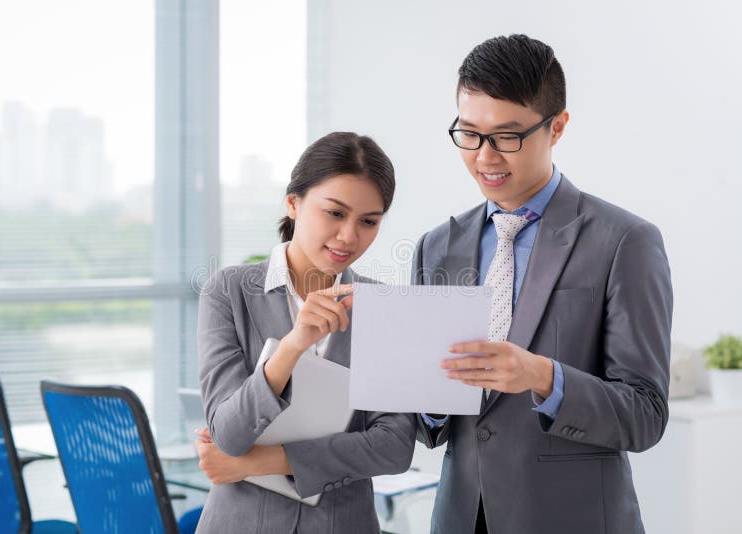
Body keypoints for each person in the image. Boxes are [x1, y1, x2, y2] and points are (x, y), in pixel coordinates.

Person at [414, 35, 673, 534]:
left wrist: (544, 378)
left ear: (557, 127)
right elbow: (429, 423)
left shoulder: (625, 241)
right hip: (460, 519)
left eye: (507, 136)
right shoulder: (437, 246)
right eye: (469, 133)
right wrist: (422, 393)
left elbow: (645, 413)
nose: (485, 157)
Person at [193, 131, 417, 533]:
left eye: (368, 221)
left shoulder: (382, 305)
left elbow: (394, 447)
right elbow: (228, 434)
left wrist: (264, 460)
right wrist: (292, 346)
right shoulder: (229, 291)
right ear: (293, 203)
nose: (349, 236)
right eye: (334, 212)